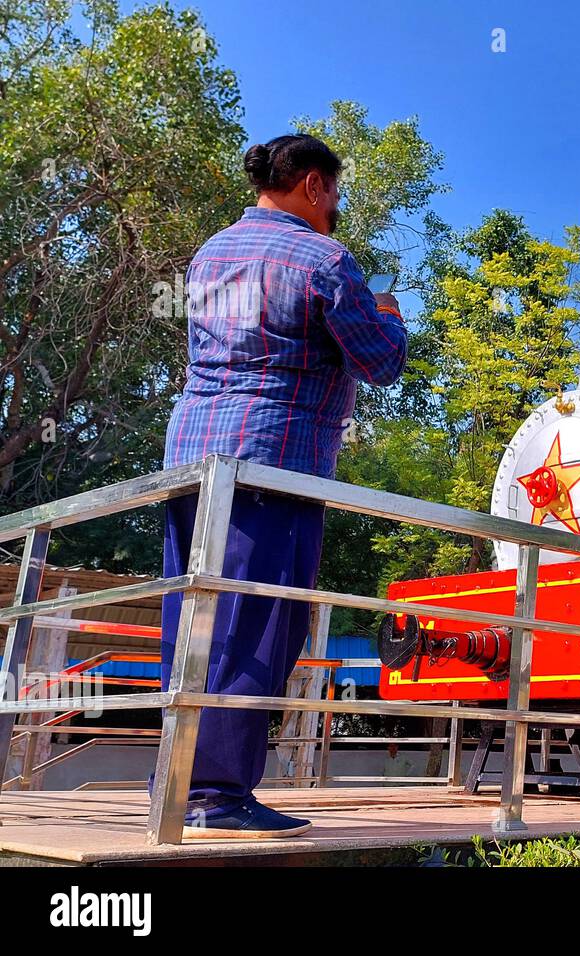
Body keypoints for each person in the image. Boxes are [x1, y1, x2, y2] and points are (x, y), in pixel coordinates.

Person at [154, 134, 408, 839]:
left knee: (194, 620)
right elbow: (381, 362)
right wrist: (388, 311)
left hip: (191, 457)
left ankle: (176, 783)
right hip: (272, 462)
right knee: (259, 622)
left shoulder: (211, 251)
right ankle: (213, 796)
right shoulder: (324, 259)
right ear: (315, 186)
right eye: (336, 191)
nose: (338, 207)